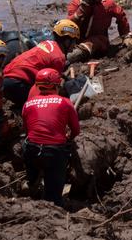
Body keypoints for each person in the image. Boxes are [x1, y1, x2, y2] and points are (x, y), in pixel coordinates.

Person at [21, 68, 80, 206]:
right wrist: (68, 137)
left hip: (32, 149)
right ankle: (52, 203)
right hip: (55, 152)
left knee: (28, 151)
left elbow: (27, 130)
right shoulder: (65, 102)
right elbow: (76, 130)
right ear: (56, 86)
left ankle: (31, 183)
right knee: (53, 196)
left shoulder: (28, 104)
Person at [2, 20, 80, 109]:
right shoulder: (58, 57)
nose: (75, 46)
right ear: (67, 41)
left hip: (6, 79)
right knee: (47, 102)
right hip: (17, 84)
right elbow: (53, 87)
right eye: (74, 42)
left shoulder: (47, 43)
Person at [66, 0, 132, 63]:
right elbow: (69, 25)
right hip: (77, 40)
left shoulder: (108, 3)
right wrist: (83, 8)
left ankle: (71, 58)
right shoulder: (75, 4)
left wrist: (126, 36)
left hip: (100, 41)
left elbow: (121, 16)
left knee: (93, 42)